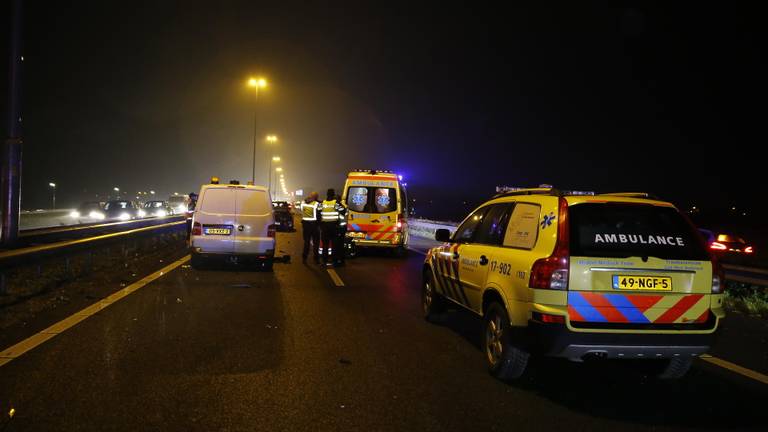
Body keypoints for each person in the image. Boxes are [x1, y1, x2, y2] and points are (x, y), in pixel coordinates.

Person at [320, 188, 345, 266]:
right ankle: (334, 261)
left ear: (327, 194)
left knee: (325, 245)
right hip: (334, 226)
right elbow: (343, 211)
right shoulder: (335, 203)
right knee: (334, 245)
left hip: (324, 227)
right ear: (333, 195)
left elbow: (318, 211)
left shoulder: (323, 203)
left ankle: (324, 261)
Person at [300, 191, 321, 264]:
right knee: (316, 243)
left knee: (306, 242)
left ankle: (304, 257)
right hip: (314, 226)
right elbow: (319, 214)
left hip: (305, 225)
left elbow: (302, 210)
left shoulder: (303, 203)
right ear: (316, 197)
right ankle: (316, 259)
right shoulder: (316, 204)